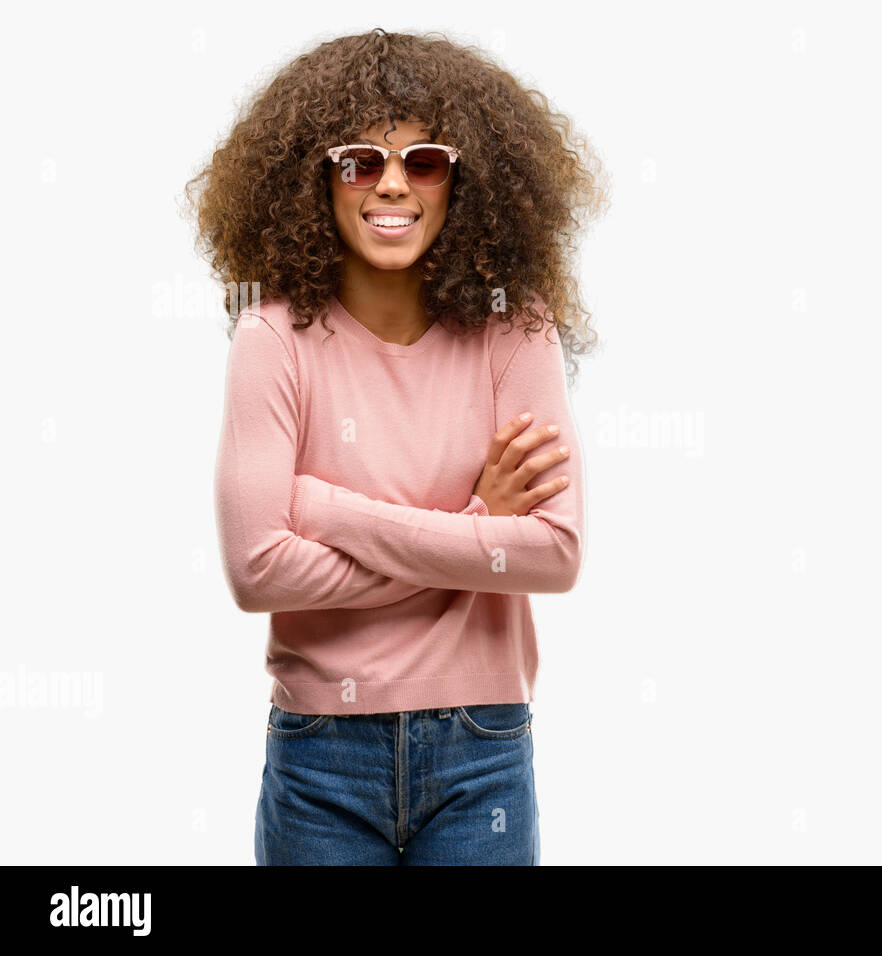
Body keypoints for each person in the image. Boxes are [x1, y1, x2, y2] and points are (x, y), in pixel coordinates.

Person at [184, 28, 608, 865]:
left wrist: (325, 509)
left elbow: (554, 554)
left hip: (481, 750)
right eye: (358, 160)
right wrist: (481, 523)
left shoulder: (513, 332)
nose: (391, 184)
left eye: (424, 161)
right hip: (320, 754)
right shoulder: (273, 340)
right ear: (315, 179)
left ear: (464, 181)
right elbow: (257, 571)